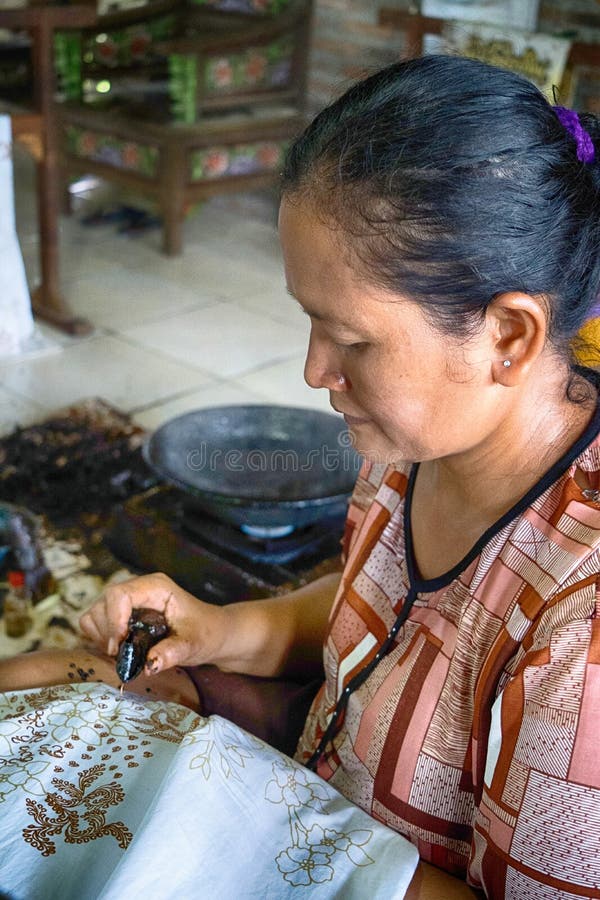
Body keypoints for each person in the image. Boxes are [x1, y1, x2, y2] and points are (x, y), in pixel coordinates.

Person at [5, 55, 600, 898]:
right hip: (315, 784)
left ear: (507, 336)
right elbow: (382, 605)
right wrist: (221, 631)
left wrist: (250, 818)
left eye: (352, 340)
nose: (317, 370)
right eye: (310, 323)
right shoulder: (414, 441)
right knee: (35, 686)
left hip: (332, 847)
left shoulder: (583, 635)